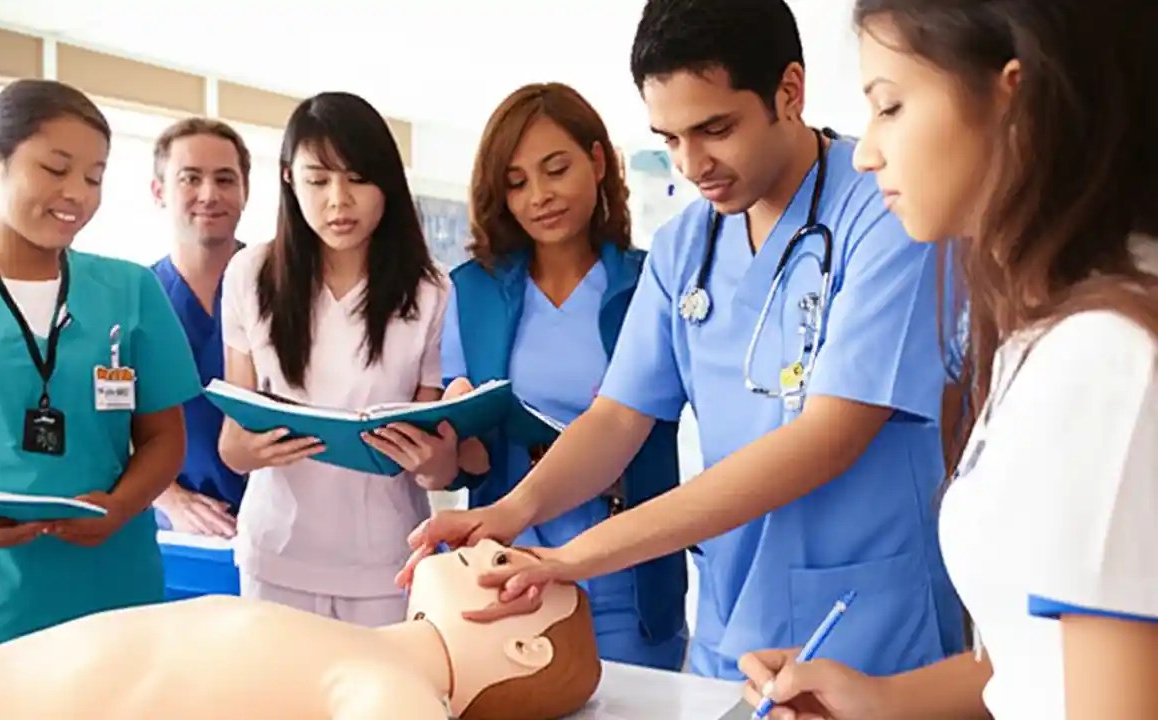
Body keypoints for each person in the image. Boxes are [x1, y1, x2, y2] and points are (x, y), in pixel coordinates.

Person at [402, 0, 963, 681]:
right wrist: (511, 512)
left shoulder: (885, 211)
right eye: (669, 138)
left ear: (789, 91)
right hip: (733, 620)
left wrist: (577, 555)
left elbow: (828, 435)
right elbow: (617, 417)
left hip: (867, 621)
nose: (693, 163)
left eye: (714, 128)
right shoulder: (685, 246)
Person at [736, 3, 1158, 719]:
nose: (866, 153)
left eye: (890, 106)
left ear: (1015, 98)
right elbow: (1039, 657)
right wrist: (879, 700)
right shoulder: (1046, 337)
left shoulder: (1109, 359)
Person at [0, 79, 200, 706]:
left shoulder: (131, 289)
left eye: (95, 177)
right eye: (56, 169)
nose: (77, 194)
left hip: (108, 588)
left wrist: (118, 506)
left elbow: (164, 438)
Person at [430, 82, 687, 670]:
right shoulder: (473, 293)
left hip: (627, 568)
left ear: (597, 163)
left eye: (556, 169)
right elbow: (471, 459)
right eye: (516, 183)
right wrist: (447, 437)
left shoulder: (650, 285)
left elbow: (668, 425)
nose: (539, 197)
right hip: (509, 570)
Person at [0, 539, 601, 720]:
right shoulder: (367, 653)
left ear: (522, 647)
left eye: (504, 565)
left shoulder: (392, 687)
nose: (484, 543)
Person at [218, 91, 453, 627]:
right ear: (287, 180)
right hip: (276, 552)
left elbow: (438, 465)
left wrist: (434, 462)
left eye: (357, 179)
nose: (338, 201)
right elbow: (233, 442)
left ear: (387, 183)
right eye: (318, 181)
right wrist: (253, 444)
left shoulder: (430, 289)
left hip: (386, 562)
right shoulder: (251, 275)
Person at [149, 117, 252, 538]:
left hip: (283, 532)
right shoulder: (136, 299)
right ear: (159, 192)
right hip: (175, 533)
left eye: (225, 179)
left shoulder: (284, 291)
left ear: (246, 191)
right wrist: (170, 498)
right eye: (190, 179)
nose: (209, 195)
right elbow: (103, 429)